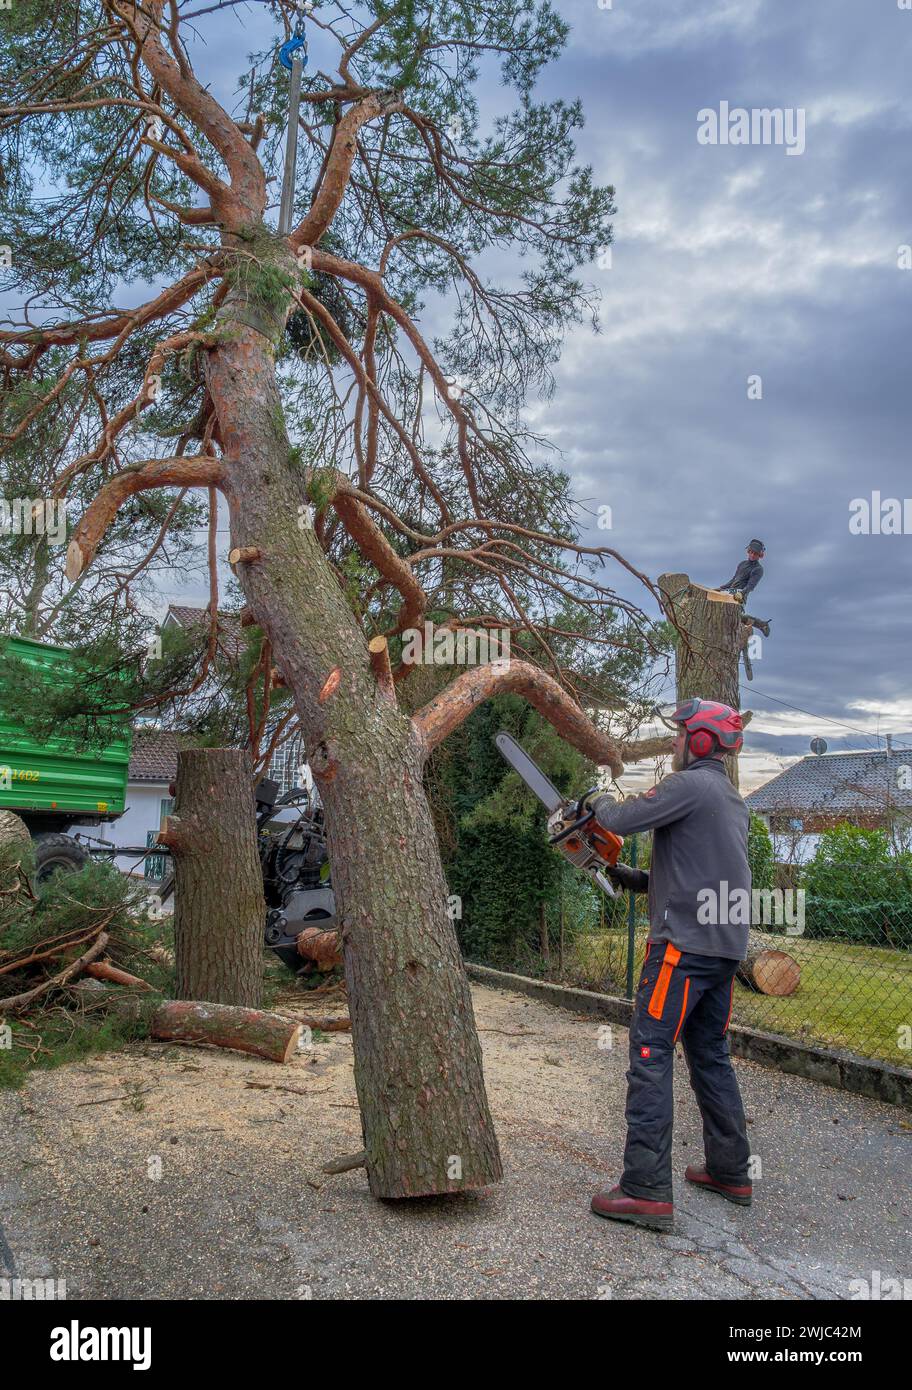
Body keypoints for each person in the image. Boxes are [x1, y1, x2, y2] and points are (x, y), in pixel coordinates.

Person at [582, 699, 753, 1232]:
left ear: (699, 742)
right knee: (709, 1055)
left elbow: (616, 816)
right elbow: (698, 875)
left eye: (681, 735)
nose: (675, 744)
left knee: (651, 1052)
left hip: (680, 950)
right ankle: (730, 1170)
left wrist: (594, 797)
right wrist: (633, 877)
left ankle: (645, 1189)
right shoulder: (729, 800)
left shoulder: (688, 786)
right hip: (722, 951)